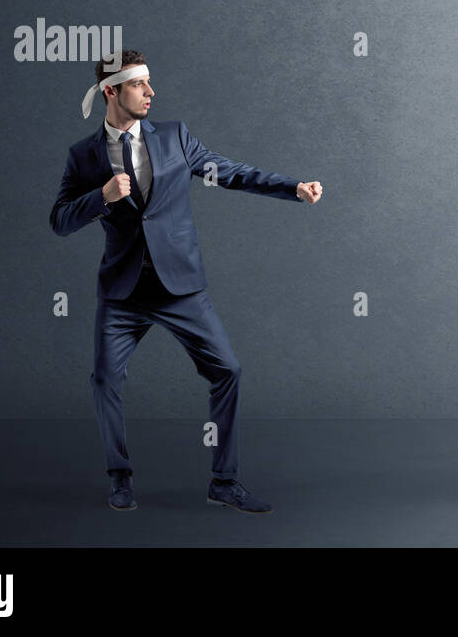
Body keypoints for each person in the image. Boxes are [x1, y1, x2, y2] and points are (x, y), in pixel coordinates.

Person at [50, 50, 323, 512]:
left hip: (181, 288)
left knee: (227, 372)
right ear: (111, 91)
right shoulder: (83, 155)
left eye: (150, 83)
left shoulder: (175, 137)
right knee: (104, 381)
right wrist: (100, 196)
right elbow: (58, 220)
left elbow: (231, 171)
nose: (151, 92)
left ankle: (224, 480)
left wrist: (292, 188)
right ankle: (119, 476)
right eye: (140, 85)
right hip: (123, 293)